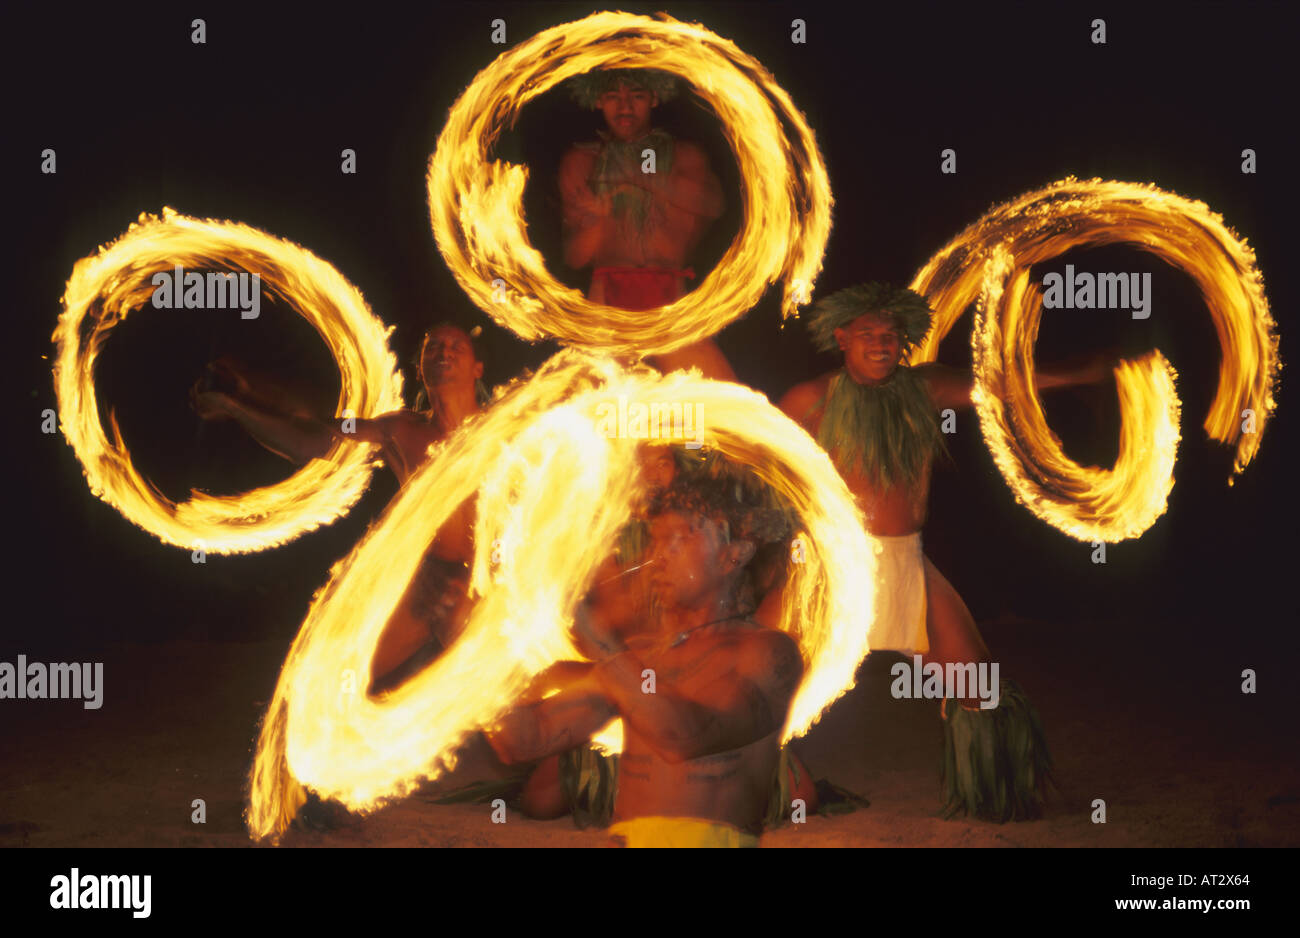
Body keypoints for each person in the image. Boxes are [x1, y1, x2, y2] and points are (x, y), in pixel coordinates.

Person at [777, 283, 1111, 821]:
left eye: (891, 335)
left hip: (907, 561)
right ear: (842, 337)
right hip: (835, 569)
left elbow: (1000, 387)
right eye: (868, 334)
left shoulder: (926, 389)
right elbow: (766, 464)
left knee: (977, 681)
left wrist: (1080, 373)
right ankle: (764, 789)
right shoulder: (810, 399)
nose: (882, 344)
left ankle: (993, 795)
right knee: (775, 690)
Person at [486, 466, 805, 846]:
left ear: (733, 554)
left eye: (676, 540)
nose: (657, 556)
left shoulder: (767, 653)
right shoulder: (640, 660)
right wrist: (488, 653)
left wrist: (599, 640)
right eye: (655, 541)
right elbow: (523, 740)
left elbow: (685, 738)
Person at [191, 321, 489, 692]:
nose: (444, 351)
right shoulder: (397, 429)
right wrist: (239, 405)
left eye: (456, 345)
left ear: (478, 369)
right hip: (428, 587)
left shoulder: (502, 425)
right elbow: (314, 434)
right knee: (331, 684)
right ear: (420, 369)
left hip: (484, 586)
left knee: (509, 706)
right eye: (433, 347)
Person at [561, 68, 735, 381]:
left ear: (654, 98)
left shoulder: (684, 156)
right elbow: (575, 256)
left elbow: (714, 205)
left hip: (670, 300)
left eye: (636, 96)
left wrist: (649, 180)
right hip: (606, 305)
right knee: (598, 416)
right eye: (613, 97)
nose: (624, 106)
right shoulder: (583, 161)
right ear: (599, 101)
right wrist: (595, 222)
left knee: (727, 413)